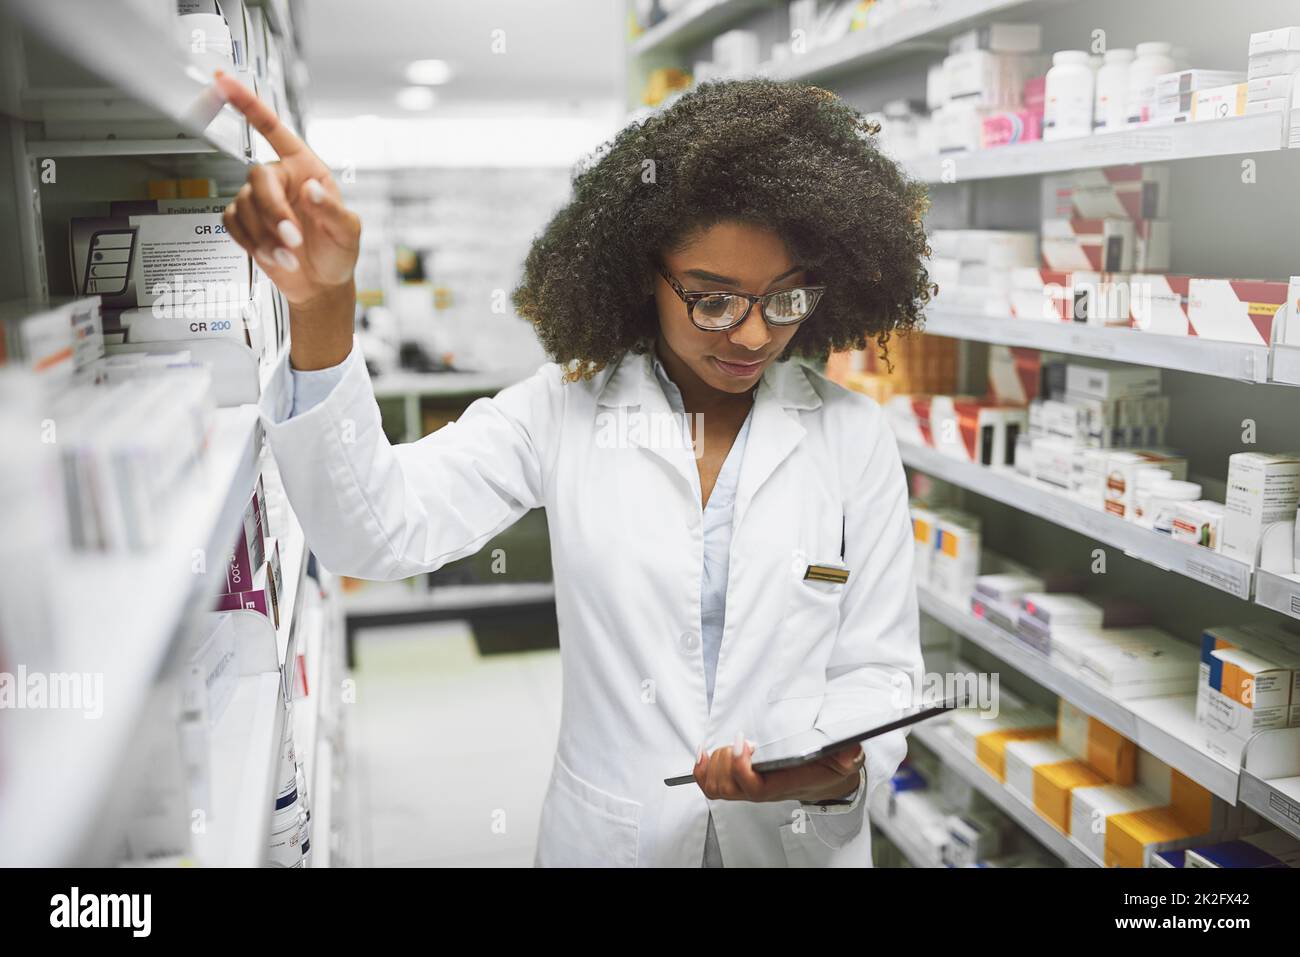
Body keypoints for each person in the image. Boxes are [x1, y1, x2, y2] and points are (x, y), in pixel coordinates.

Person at [215, 71, 931, 867]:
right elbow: (373, 534)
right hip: (619, 838)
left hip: (800, 843)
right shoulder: (562, 412)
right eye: (713, 299)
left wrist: (830, 773)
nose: (755, 336)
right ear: (642, 276)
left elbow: (881, 670)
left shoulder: (853, 436)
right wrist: (323, 306)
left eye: (786, 299)